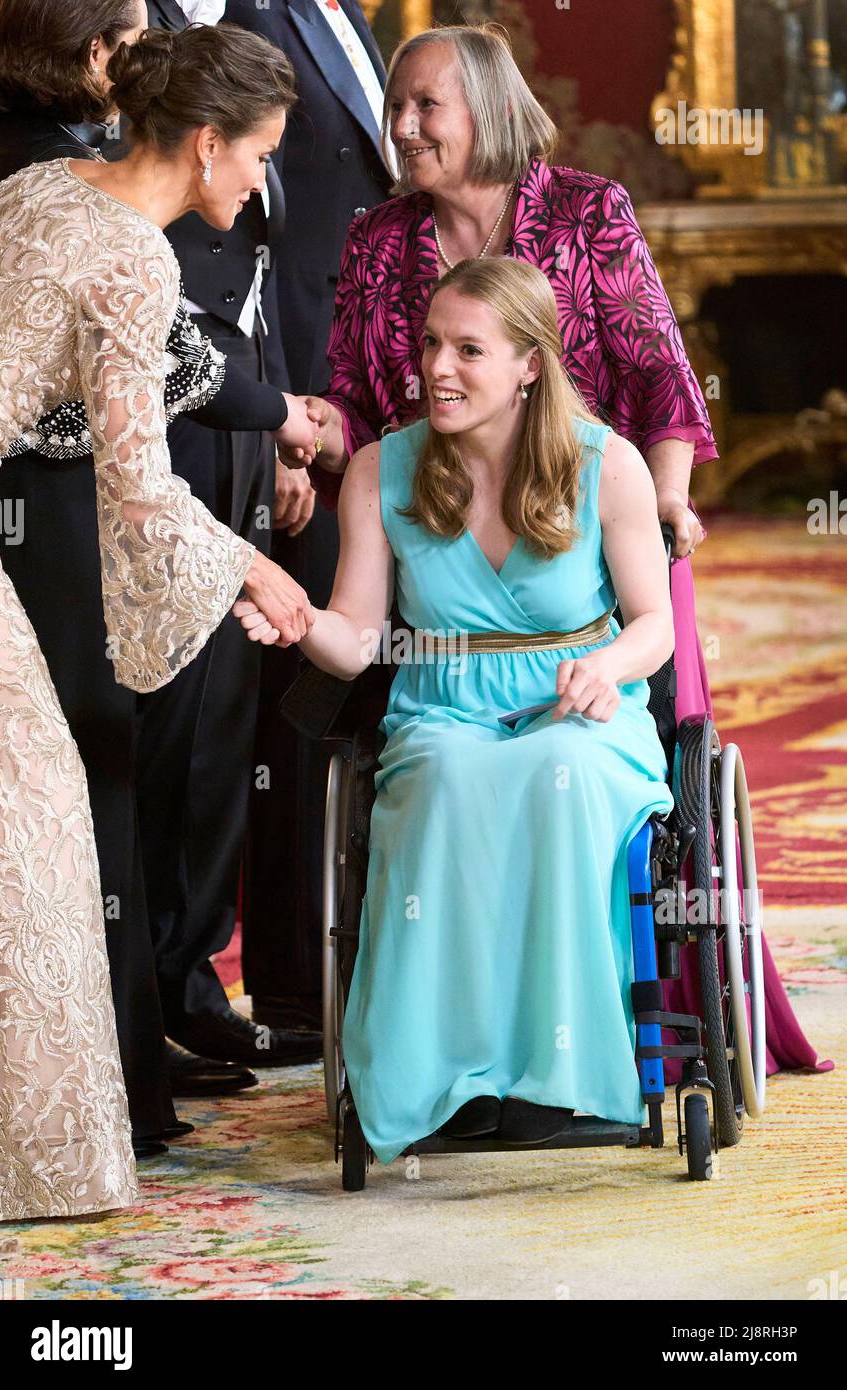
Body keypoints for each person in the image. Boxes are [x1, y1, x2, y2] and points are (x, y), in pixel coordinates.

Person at [291, 21, 830, 1083]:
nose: (398, 128)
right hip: (436, 543)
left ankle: (636, 1013)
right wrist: (310, 440)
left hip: (586, 527)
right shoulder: (376, 239)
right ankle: (454, 1039)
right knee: (434, 769)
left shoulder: (585, 214)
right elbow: (355, 398)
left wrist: (666, 504)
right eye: (394, 105)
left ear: (485, 111)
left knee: (616, 762)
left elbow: (660, 378)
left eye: (422, 108)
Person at [0, 22, 315, 1222]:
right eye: (259, 156)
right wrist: (254, 577)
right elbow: (138, 484)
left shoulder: (34, 187)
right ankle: (31, 1163)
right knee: (35, 846)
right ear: (208, 141)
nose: (259, 184)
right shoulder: (132, 254)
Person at [237, 257, 675, 1156]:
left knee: (562, 775)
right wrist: (300, 620)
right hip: (442, 709)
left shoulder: (608, 465)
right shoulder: (379, 471)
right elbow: (358, 640)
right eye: (432, 342)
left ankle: (564, 1075)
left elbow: (654, 623)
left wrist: (607, 669)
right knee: (440, 783)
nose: (437, 366)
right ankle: (447, 1080)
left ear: (527, 365)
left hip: (579, 707)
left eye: (468, 349)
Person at [132, 0, 324, 1072]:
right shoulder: (137, 53)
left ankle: (192, 973)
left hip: (250, 409)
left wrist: (286, 428)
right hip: (161, 424)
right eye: (251, 156)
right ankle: (149, 981)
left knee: (221, 718)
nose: (258, 173)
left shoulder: (261, 35)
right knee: (167, 707)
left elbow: (266, 284)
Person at [226, 0, 394, 1036]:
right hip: (302, 406)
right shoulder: (256, 15)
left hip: (365, 400)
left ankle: (352, 960)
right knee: (304, 683)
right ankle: (290, 986)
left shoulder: (350, 16)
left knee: (358, 677)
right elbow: (260, 244)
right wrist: (287, 425)